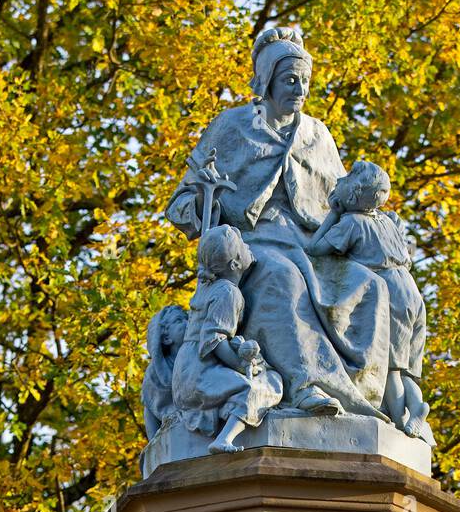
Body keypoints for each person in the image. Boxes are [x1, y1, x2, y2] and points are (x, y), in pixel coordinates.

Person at [166, 26, 391, 420]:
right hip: (254, 244)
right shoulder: (232, 126)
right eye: (290, 80)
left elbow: (342, 201)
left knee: (373, 286)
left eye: (305, 81)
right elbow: (182, 205)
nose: (299, 89)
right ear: (267, 81)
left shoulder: (317, 135)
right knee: (281, 278)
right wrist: (205, 203)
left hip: (316, 244)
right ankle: (306, 387)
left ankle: (366, 401)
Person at [306, 160, 432, 443]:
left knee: (392, 368)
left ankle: (400, 423)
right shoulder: (387, 221)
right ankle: (417, 406)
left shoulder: (352, 223)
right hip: (412, 291)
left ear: (352, 194)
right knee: (409, 367)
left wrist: (332, 215)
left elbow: (315, 249)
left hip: (391, 294)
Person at [171, 224, 283, 452]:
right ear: (234, 264)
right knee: (261, 387)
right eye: (242, 244)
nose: (248, 244)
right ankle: (224, 439)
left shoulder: (206, 286)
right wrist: (240, 365)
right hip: (198, 374)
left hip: (184, 373)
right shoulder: (228, 292)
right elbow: (214, 341)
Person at [141, 304, 187, 439]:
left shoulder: (200, 358)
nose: (187, 322)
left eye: (187, 318)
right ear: (166, 338)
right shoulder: (154, 373)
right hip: (172, 435)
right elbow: (150, 406)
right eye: (179, 320)